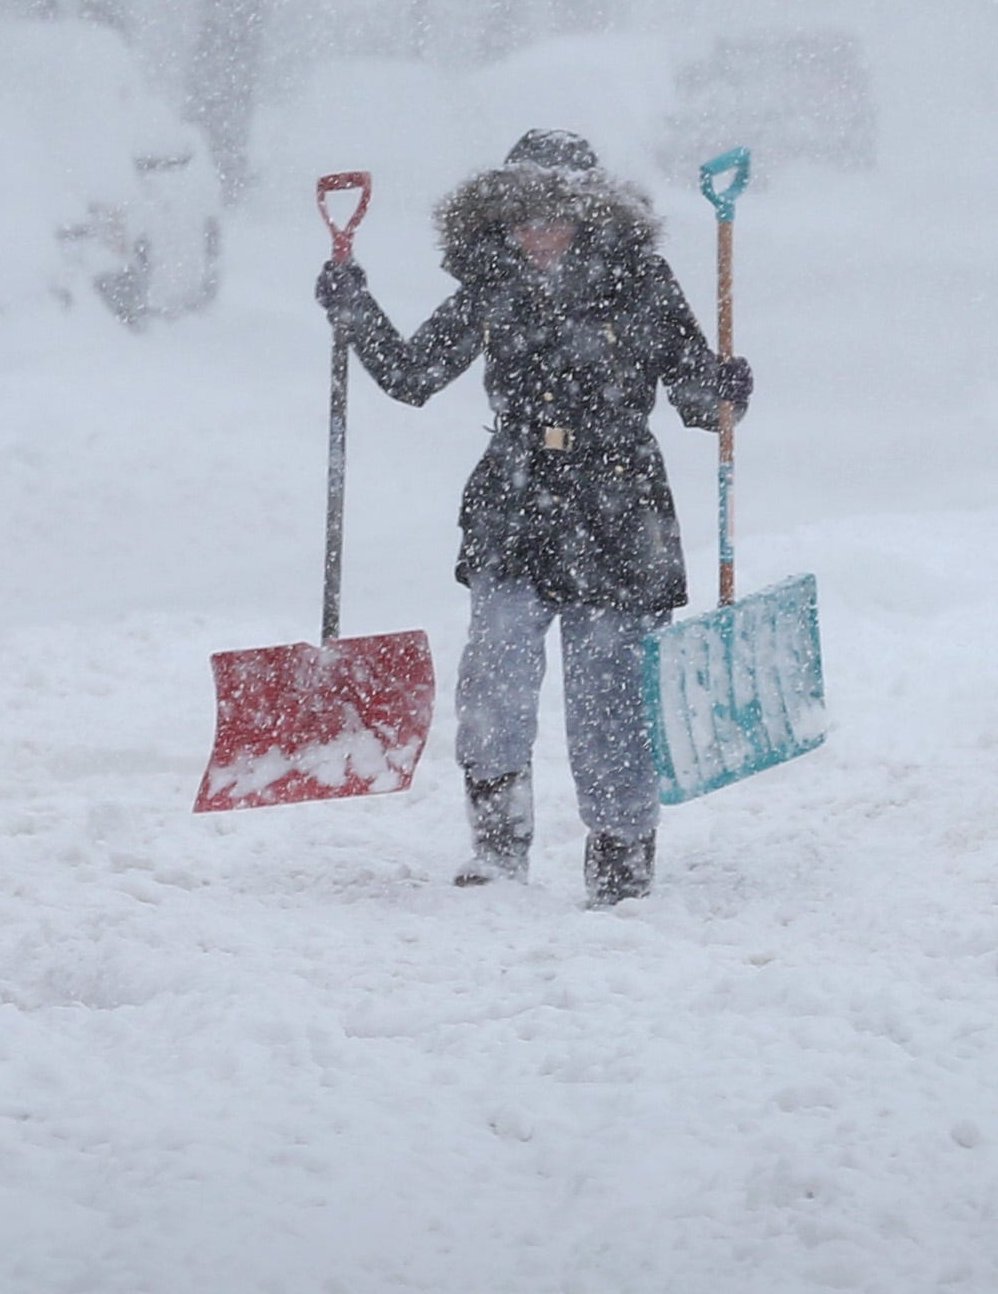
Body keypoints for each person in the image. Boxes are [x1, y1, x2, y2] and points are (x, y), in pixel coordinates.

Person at [318, 129, 752, 905]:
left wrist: (724, 389)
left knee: (609, 698)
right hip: (515, 504)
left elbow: (695, 405)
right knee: (493, 680)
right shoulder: (494, 284)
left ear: (588, 216)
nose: (536, 232)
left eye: (551, 216)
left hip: (620, 512)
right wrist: (357, 315)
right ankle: (497, 846)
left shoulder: (639, 282)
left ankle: (620, 860)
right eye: (520, 217)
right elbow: (415, 376)